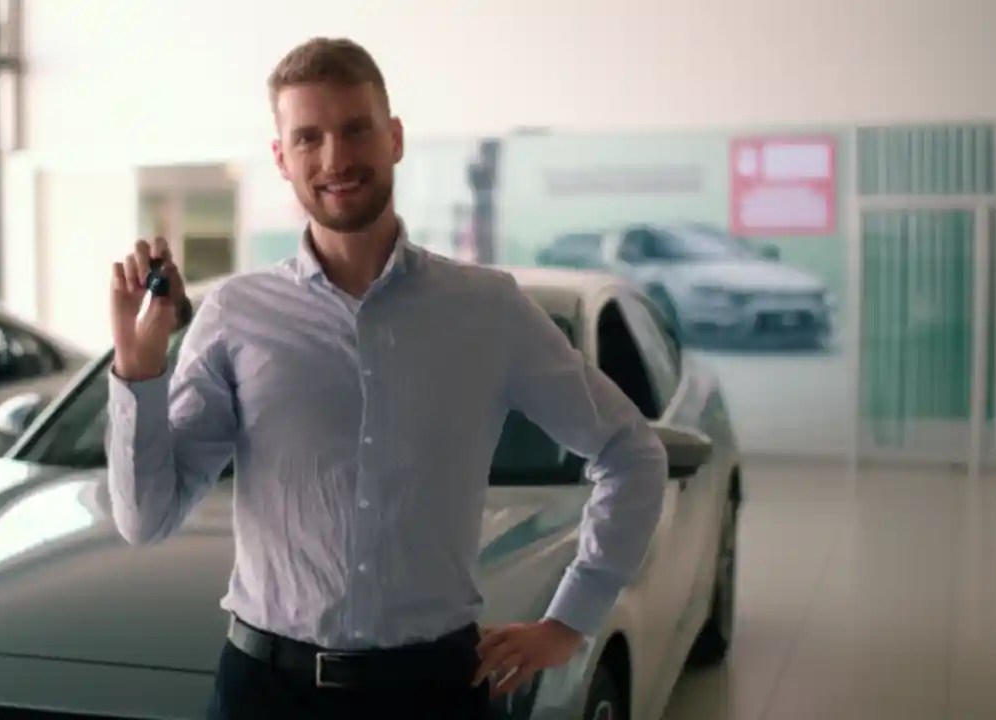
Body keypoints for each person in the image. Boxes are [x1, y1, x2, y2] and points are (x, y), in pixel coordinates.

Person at [106, 37, 667, 720]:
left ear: (394, 137)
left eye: (355, 129)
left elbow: (631, 450)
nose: (336, 158)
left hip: (434, 692)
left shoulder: (485, 308)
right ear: (282, 158)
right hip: (266, 694)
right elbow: (146, 519)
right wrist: (139, 371)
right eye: (308, 138)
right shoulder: (235, 314)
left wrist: (571, 619)